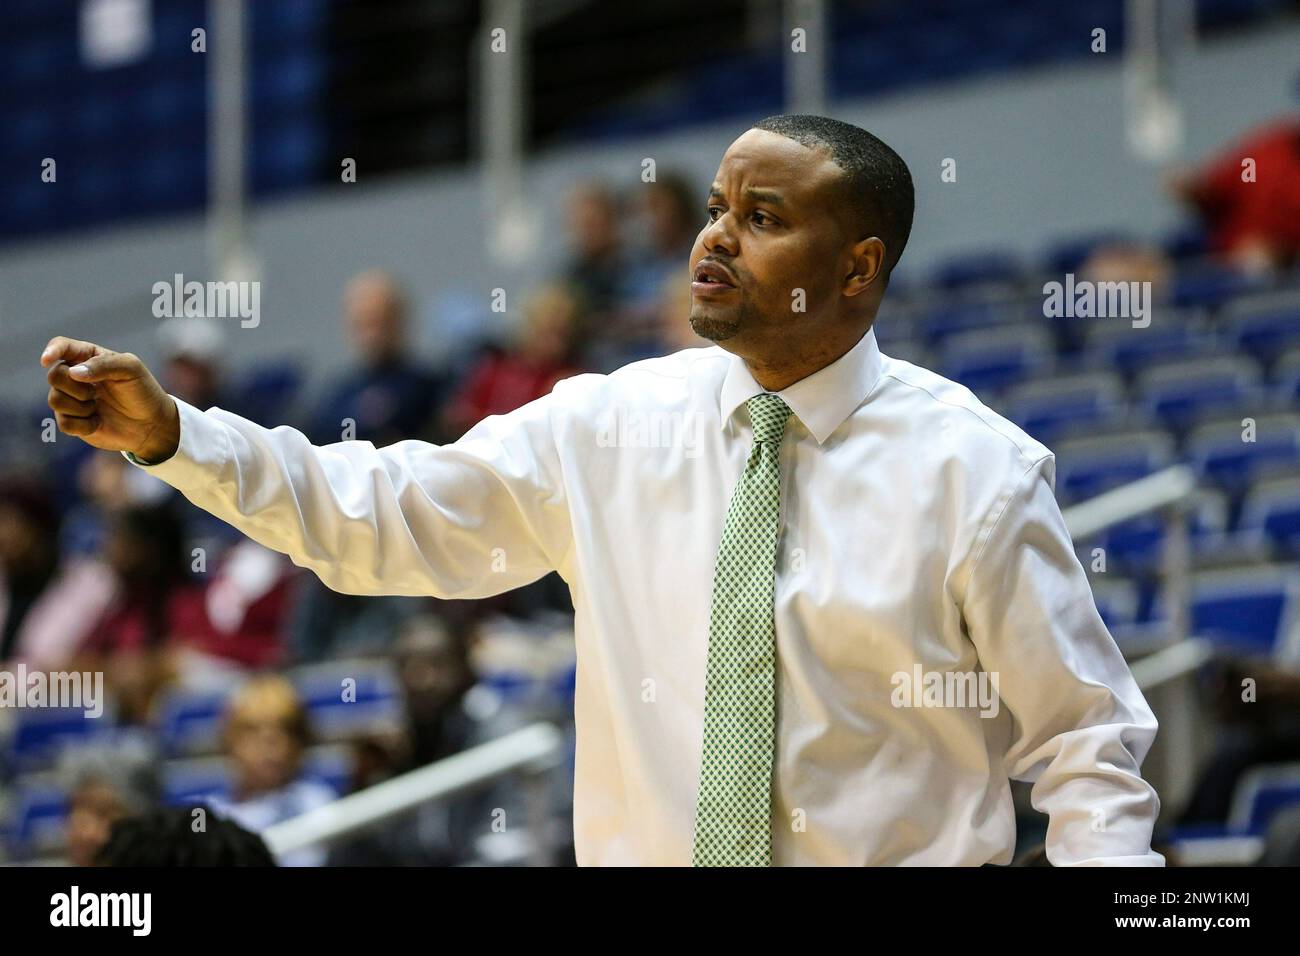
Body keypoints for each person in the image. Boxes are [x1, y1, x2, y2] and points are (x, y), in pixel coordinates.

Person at [40, 113, 1163, 867]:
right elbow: (376, 517)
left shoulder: (975, 469)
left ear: (858, 267)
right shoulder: (610, 424)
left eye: (763, 218)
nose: (715, 236)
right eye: (719, 206)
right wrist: (176, 435)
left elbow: (1086, 749)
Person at [205, 675, 337, 866]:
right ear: (228, 740)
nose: (271, 744)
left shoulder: (319, 805)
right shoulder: (205, 815)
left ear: (301, 742)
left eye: (286, 729)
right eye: (252, 729)